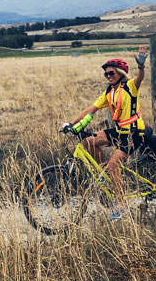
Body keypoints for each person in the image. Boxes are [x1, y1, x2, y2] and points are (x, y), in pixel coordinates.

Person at [62, 46, 150, 220]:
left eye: (112, 73)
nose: (109, 76)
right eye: (106, 74)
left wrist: (141, 66)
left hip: (134, 133)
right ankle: (104, 176)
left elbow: (140, 78)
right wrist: (71, 124)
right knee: (87, 141)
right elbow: (91, 109)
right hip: (119, 131)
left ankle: (120, 204)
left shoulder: (130, 86)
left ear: (120, 73)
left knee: (114, 165)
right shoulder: (109, 92)